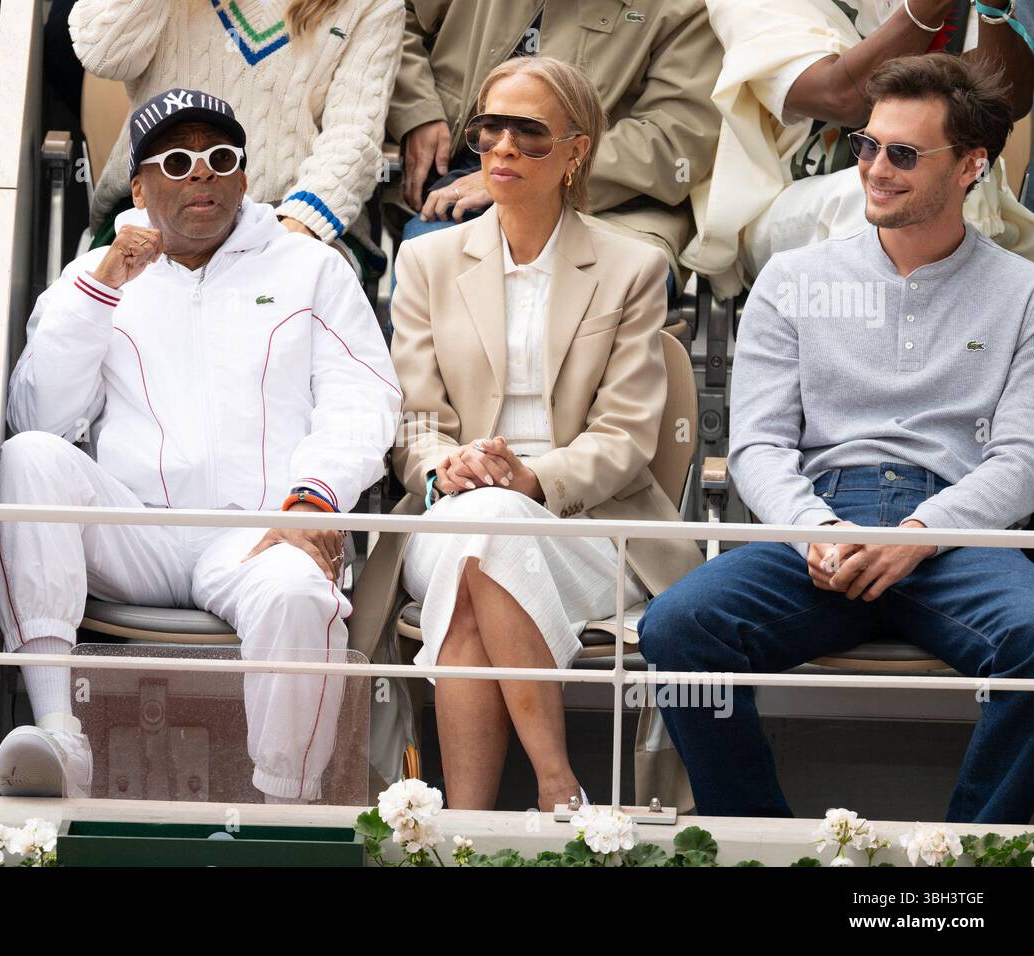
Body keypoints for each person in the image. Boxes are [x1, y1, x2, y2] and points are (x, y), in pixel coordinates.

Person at [639, 54, 1034, 824]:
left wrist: (921, 534)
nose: (876, 170)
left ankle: (967, 858)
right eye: (866, 146)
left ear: (972, 168)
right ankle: (758, 840)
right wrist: (817, 532)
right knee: (679, 627)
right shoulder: (792, 278)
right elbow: (755, 445)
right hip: (819, 526)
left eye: (904, 154)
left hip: (961, 534)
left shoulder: (1022, 292)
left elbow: (1021, 460)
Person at [0, 88, 401, 802]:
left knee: (297, 590)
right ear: (142, 185)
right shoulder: (98, 275)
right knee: (27, 457)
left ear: (244, 176)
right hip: (138, 531)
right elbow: (41, 415)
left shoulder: (310, 267)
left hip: (257, 533)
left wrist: (316, 497)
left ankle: (288, 812)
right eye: (177, 161)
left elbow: (364, 397)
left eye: (220, 158)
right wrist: (103, 288)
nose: (201, 174)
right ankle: (62, 736)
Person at [357, 56, 701, 811]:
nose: (504, 148)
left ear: (577, 150)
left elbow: (626, 435)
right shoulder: (425, 261)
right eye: (489, 129)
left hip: (590, 523)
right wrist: (446, 465)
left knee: (485, 557)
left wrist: (535, 481)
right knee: (487, 525)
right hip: (454, 506)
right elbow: (414, 417)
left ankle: (468, 830)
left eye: (530, 133)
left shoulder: (633, 267)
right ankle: (558, 786)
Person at [684, 0, 1034, 296]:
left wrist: (993, 5)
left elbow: (998, 104)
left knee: (958, 179)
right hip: (781, 207)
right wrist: (925, 9)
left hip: (953, 206)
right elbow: (839, 96)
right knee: (878, 196)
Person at [386, 0, 723, 294]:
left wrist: (533, 174)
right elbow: (390, 16)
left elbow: (674, 143)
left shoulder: (684, 9)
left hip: (612, 212)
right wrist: (418, 111)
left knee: (606, 291)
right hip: (458, 188)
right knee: (434, 262)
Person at [69, 0, 404, 279]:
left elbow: (353, 133)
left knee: (292, 310)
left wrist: (294, 228)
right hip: (160, 208)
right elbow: (102, 54)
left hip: (291, 212)